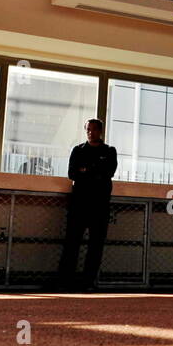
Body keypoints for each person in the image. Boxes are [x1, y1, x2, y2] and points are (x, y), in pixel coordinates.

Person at [54, 118, 117, 291]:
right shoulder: (78, 150)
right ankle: (65, 282)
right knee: (72, 243)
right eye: (88, 129)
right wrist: (95, 171)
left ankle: (87, 283)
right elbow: (72, 173)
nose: (91, 132)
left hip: (100, 205)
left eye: (94, 129)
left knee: (95, 245)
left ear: (100, 131)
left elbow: (108, 172)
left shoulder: (110, 151)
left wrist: (86, 170)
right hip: (79, 204)